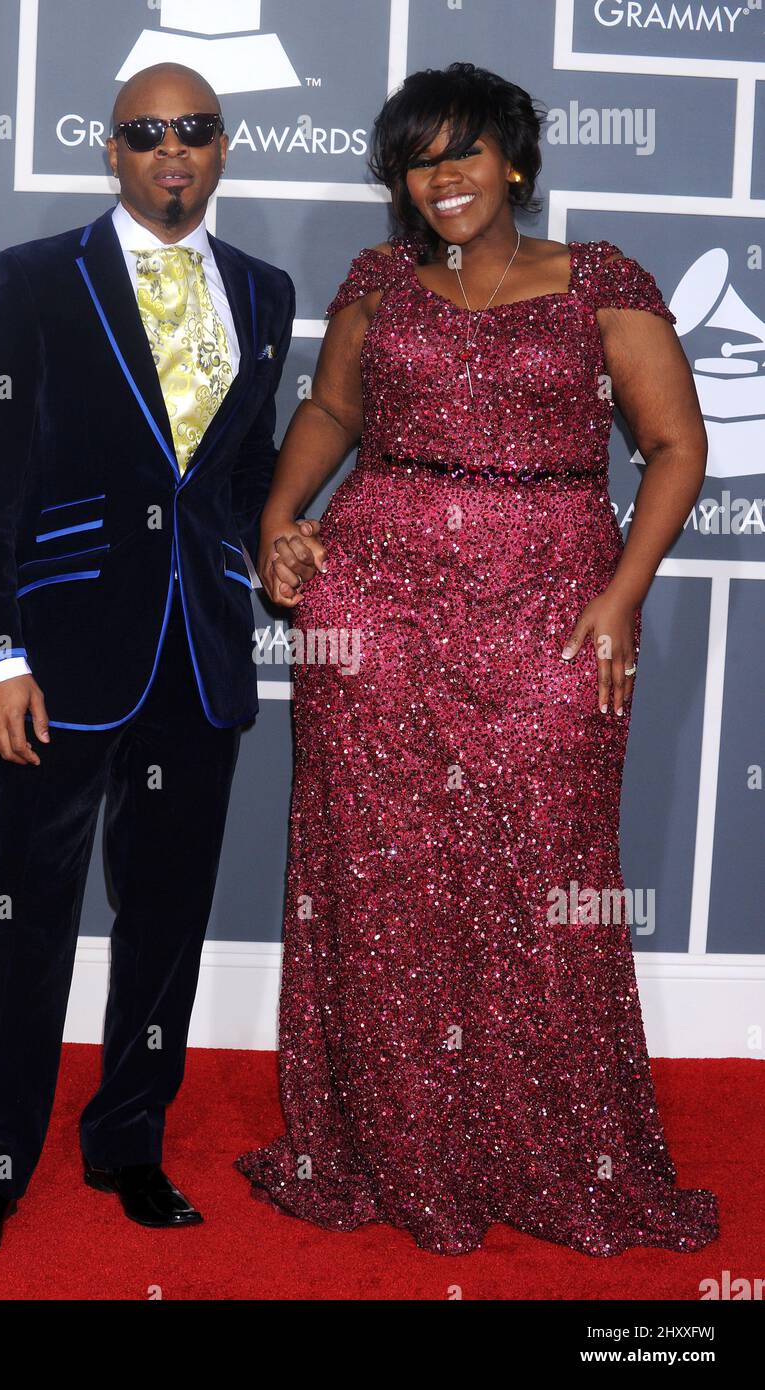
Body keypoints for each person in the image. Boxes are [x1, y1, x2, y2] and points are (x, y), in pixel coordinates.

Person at [236, 62, 720, 1257]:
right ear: (396, 181)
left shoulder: (597, 279)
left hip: (555, 599)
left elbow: (671, 445)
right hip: (381, 599)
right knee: (382, 878)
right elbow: (334, 414)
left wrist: (619, 599)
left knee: (544, 868)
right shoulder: (377, 285)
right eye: (417, 158)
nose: (441, 177)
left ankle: (552, 1149)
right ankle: (394, 1147)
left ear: (513, 158)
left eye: (463, 152)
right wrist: (276, 522)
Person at [0, 61, 323, 1255]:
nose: (172, 149)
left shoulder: (264, 292)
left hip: (198, 650)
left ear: (221, 147)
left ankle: (129, 1143)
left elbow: (243, 467)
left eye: (195, 130)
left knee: (166, 916)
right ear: (109, 151)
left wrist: (277, 541)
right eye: (146, 132)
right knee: (21, 911)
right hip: (60, 652)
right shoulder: (38, 278)